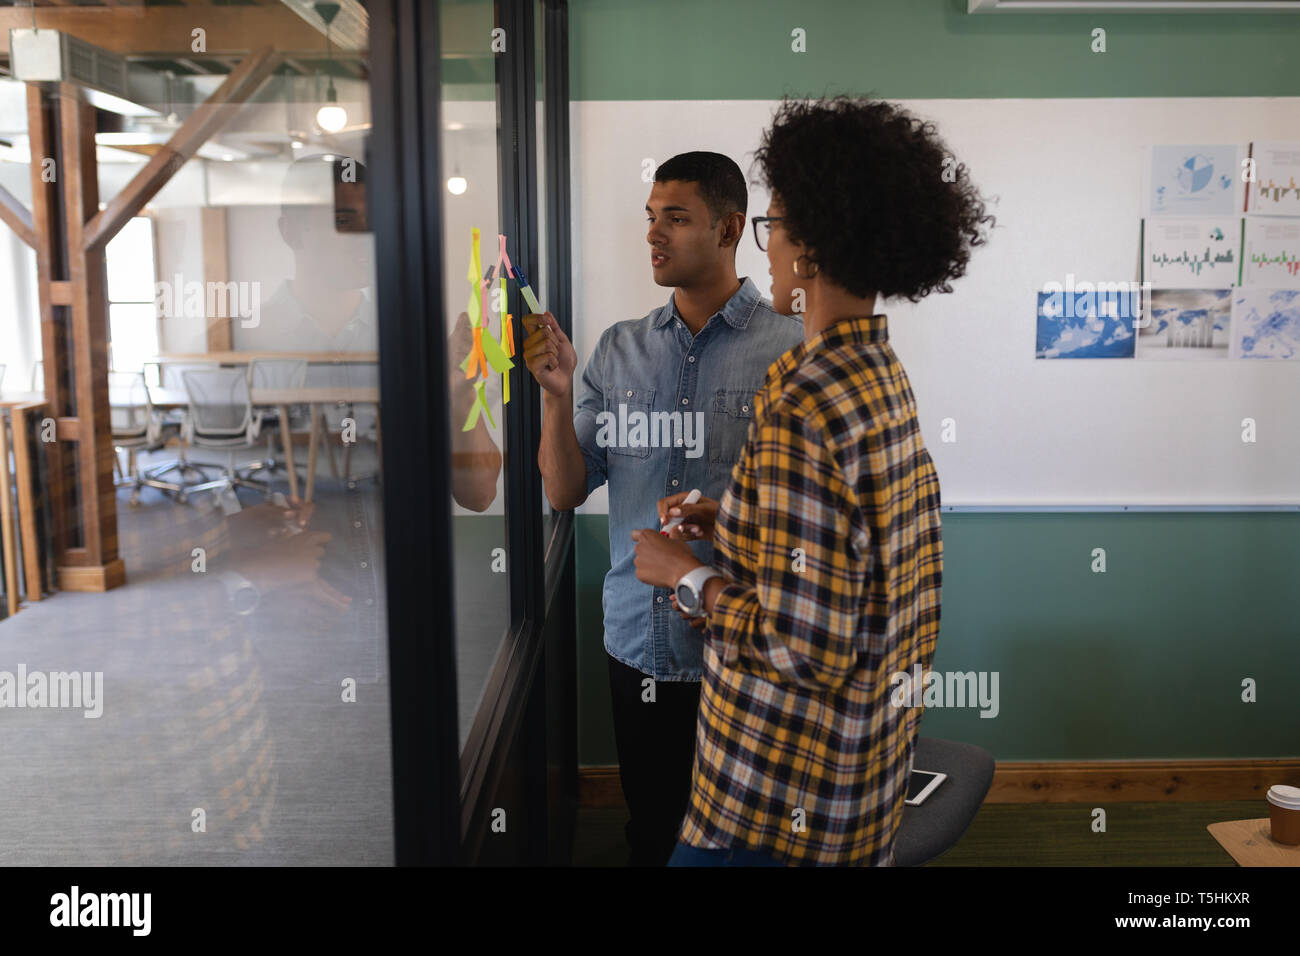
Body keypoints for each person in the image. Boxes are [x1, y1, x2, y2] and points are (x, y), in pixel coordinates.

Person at [632, 96, 993, 866]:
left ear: (814, 247)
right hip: (857, 783)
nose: (766, 250)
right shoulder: (876, 375)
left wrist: (686, 575)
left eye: (775, 226)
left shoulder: (803, 398)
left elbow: (807, 650)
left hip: (771, 798)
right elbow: (847, 554)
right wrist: (732, 519)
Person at [521, 151, 803, 866]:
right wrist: (554, 394)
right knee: (651, 833)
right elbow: (562, 489)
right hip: (639, 643)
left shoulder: (793, 349)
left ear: (730, 227)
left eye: (676, 219)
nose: (655, 234)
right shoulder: (617, 352)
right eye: (652, 218)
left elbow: (807, 513)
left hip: (745, 647)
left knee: (747, 843)